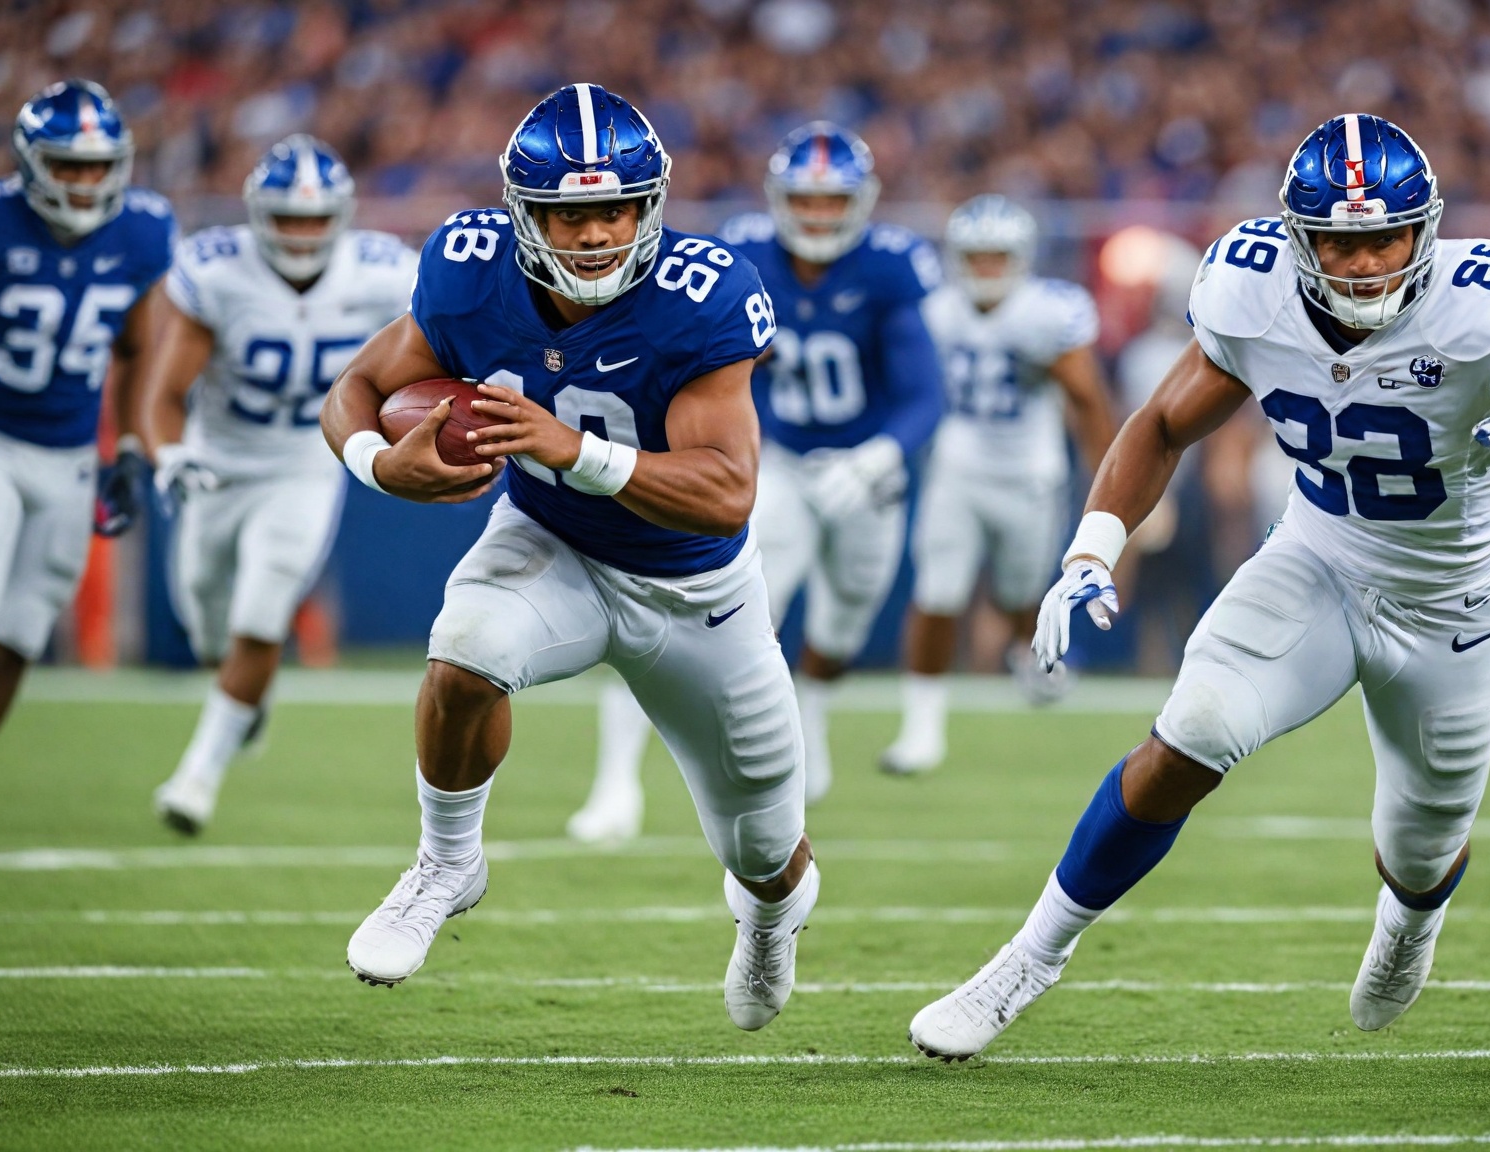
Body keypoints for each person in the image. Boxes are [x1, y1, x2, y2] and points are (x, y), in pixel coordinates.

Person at [907, 113, 1490, 1060]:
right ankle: (1024, 962)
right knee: (1190, 734)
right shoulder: (1248, 287)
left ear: (1423, 230)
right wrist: (1092, 549)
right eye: (1338, 241)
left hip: (1452, 600)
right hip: (1318, 560)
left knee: (1426, 844)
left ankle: (1408, 928)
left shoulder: (1485, 302)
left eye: (1384, 236)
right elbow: (1160, 424)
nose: (1361, 262)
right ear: (1299, 239)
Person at [319, 84, 818, 1031]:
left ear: (650, 206)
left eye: (616, 209)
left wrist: (571, 450)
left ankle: (767, 918)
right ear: (525, 214)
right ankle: (446, 862)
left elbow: (726, 490)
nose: (595, 234)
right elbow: (356, 384)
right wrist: (383, 467)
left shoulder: (702, 297)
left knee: (763, 844)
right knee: (464, 650)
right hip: (553, 543)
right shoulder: (470, 272)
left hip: (695, 588)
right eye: (569, 213)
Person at [142, 135, 414, 834]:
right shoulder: (221, 271)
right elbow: (164, 390)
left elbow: (433, 346)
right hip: (219, 460)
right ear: (258, 215)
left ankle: (196, 778)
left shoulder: (380, 273)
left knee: (262, 614)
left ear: (342, 216)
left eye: (315, 218)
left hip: (305, 461)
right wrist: (168, 454)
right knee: (204, 618)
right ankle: (243, 701)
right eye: (288, 218)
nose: (301, 233)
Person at [710, 122, 944, 804]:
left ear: (861, 203)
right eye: (805, 200)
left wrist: (875, 460)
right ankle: (778, 734)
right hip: (780, 454)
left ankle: (814, 702)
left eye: (832, 201)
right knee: (764, 590)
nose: (817, 215)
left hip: (869, 467)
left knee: (846, 618)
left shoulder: (889, 265)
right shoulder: (743, 254)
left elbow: (926, 393)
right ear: (779, 199)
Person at [0, 80, 173, 796]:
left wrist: (136, 443)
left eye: (97, 166)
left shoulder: (143, 230)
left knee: (20, 631)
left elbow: (138, 350)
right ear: (30, 164)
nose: (85, 182)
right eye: (67, 166)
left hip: (72, 454)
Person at [880, 195, 1117, 775]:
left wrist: (1108, 481)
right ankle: (921, 731)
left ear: (1021, 258)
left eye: (997, 257)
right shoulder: (935, 310)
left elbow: (1086, 399)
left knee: (1019, 599)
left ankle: (1028, 653)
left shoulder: (1047, 311)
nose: (986, 268)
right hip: (956, 469)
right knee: (937, 595)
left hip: (1030, 475)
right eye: (976, 257)